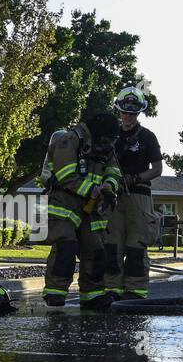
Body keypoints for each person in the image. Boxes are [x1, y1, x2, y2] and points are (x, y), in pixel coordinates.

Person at [42, 112, 123, 310]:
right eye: (105, 139)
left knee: (95, 250)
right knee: (65, 247)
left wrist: (109, 187)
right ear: (97, 132)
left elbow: (114, 171)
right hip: (64, 204)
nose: (107, 144)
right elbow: (65, 174)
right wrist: (90, 189)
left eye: (111, 141)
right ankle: (55, 293)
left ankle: (92, 295)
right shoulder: (69, 140)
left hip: (92, 207)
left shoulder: (106, 147)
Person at [104, 87, 163, 300]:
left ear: (139, 113)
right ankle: (112, 289)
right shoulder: (110, 136)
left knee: (136, 246)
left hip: (139, 197)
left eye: (133, 112)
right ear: (118, 111)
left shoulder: (148, 137)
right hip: (113, 198)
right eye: (124, 111)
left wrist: (135, 178)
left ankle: (135, 292)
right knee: (112, 245)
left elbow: (157, 169)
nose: (128, 116)